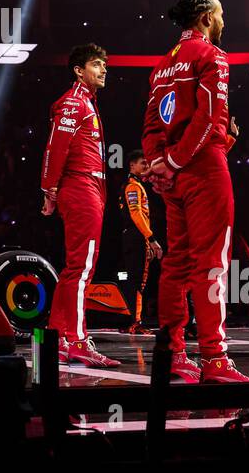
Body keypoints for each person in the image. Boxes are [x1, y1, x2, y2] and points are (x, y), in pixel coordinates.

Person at [142, 0, 249, 384]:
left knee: (175, 264)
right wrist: (174, 161)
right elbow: (208, 119)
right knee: (212, 264)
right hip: (203, 171)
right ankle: (214, 358)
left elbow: (152, 126)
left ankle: (173, 353)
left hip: (176, 177)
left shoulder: (162, 65)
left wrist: (160, 165)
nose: (225, 21)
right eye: (221, 14)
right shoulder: (212, 57)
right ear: (206, 17)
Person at [41, 43, 121, 367]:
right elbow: (55, 148)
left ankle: (59, 337)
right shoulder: (74, 103)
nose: (104, 70)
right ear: (79, 70)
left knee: (76, 267)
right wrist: (49, 190)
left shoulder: (86, 102)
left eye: (104, 65)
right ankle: (76, 340)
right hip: (81, 186)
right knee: (82, 267)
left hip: (90, 187)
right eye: (97, 64)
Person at [119, 150, 163, 335]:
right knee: (138, 281)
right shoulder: (133, 187)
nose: (146, 166)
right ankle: (135, 322)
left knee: (136, 280)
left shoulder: (135, 186)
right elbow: (136, 213)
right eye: (143, 163)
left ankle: (134, 321)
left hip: (134, 237)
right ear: (132, 165)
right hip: (136, 237)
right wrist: (151, 238)